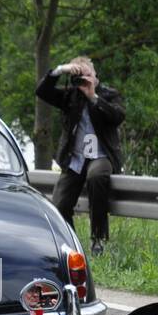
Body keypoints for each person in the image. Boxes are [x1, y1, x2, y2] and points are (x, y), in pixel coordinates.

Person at [35, 56, 124, 255]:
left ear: (95, 75)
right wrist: (60, 70)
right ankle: (71, 244)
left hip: (101, 156)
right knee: (59, 204)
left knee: (96, 176)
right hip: (75, 159)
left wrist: (94, 97)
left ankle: (98, 239)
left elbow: (117, 116)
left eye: (88, 75)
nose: (84, 80)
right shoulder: (71, 97)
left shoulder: (109, 94)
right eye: (80, 76)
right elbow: (42, 92)